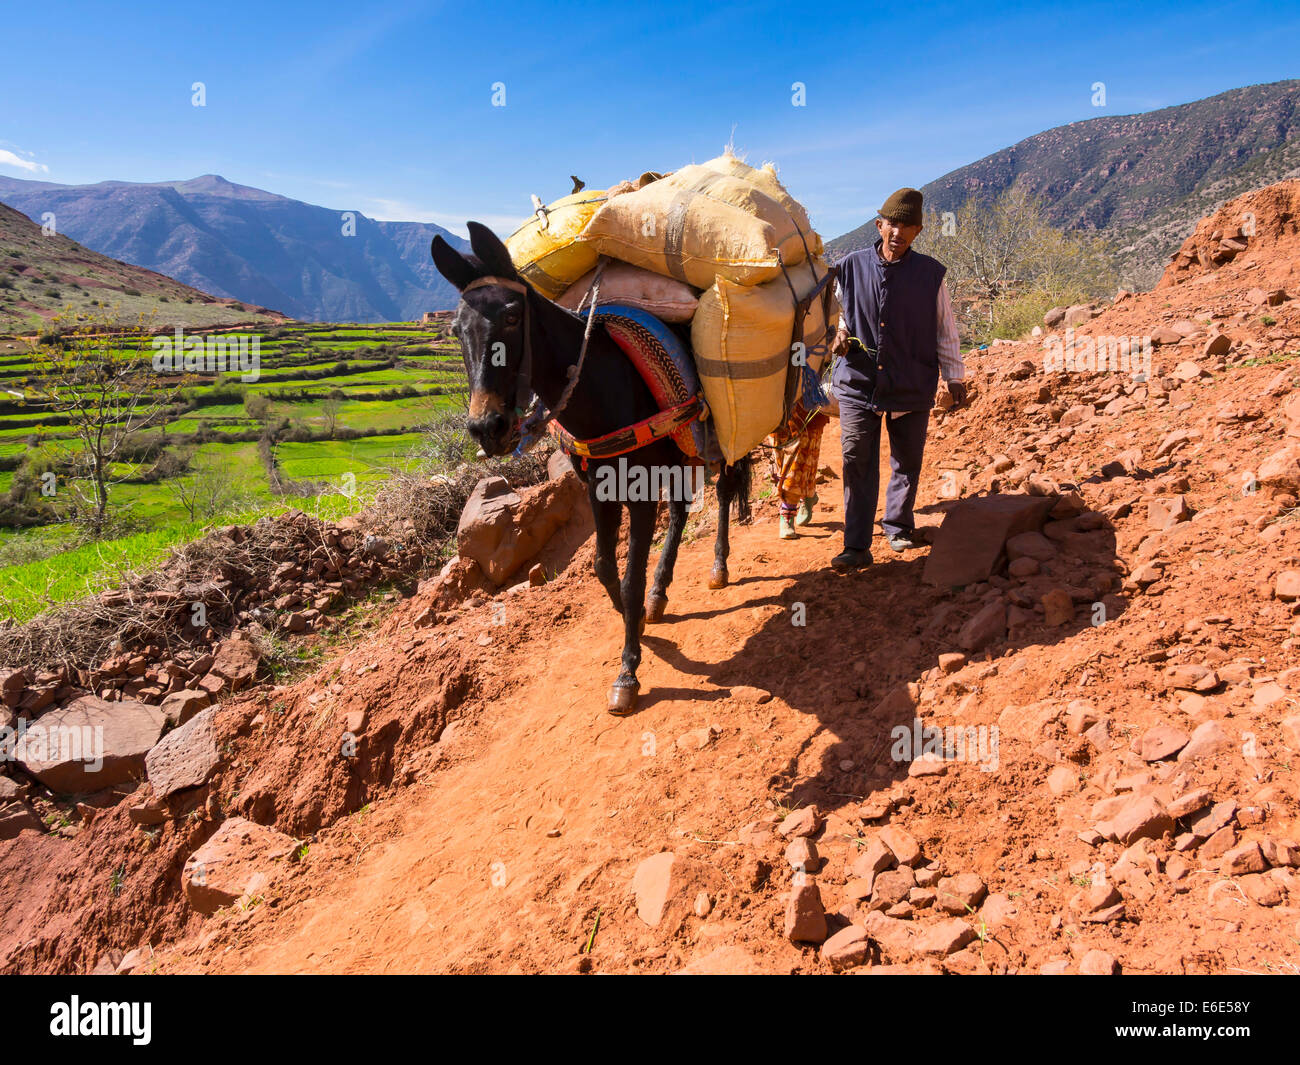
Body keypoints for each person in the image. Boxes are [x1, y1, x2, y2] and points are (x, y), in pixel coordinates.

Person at [828, 187, 967, 571]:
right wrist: (838, 333)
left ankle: (898, 526)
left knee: (906, 460)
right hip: (857, 381)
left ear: (918, 232)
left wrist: (954, 377)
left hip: (910, 380)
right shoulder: (849, 266)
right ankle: (855, 545)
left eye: (907, 227)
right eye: (892, 224)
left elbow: (945, 330)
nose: (898, 233)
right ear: (879, 225)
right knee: (857, 459)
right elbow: (836, 314)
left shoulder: (930, 275)